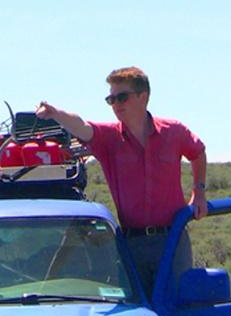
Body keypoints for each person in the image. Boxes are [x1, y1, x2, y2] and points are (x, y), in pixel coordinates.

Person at [36, 66, 207, 297]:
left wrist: (199, 191)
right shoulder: (109, 138)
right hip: (131, 244)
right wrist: (56, 113)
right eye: (111, 99)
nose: (116, 104)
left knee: (179, 304)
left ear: (143, 97)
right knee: (137, 307)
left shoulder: (173, 131)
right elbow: (81, 126)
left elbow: (198, 152)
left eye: (122, 97)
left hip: (173, 239)